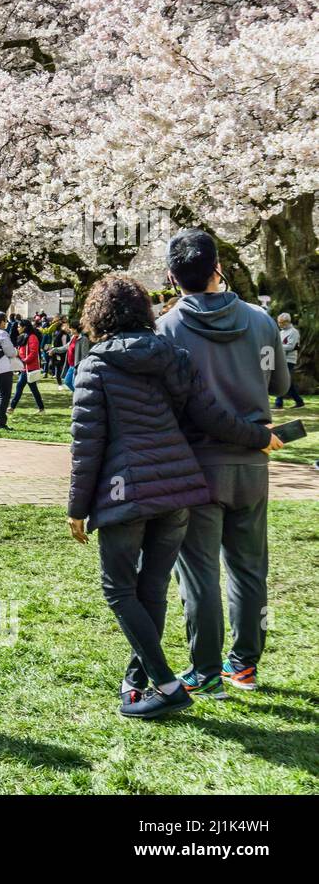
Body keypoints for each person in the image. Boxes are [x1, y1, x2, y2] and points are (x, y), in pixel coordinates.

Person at [68, 273, 279, 720]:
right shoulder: (175, 357)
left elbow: (87, 445)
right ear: (145, 311)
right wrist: (257, 436)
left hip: (126, 493)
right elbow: (211, 416)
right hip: (179, 489)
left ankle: (166, 684)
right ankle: (135, 680)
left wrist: (76, 508)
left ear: (97, 315)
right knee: (152, 588)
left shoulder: (96, 365)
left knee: (118, 590)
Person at [155, 229, 291, 696]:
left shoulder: (167, 329)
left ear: (173, 278)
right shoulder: (262, 320)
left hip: (197, 466)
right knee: (250, 567)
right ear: (218, 267)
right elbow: (278, 385)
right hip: (253, 464)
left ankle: (205, 669)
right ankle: (245, 664)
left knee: (198, 572)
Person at [8, 320, 46, 415]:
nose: (18, 328)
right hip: (25, 367)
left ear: (24, 327)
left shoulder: (32, 337)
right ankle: (41, 409)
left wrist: (24, 361)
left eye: (19, 326)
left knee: (19, 386)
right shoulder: (23, 337)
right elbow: (21, 350)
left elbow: (33, 352)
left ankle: (11, 408)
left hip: (30, 367)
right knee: (33, 389)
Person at [273, 312, 304, 408]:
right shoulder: (281, 332)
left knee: (282, 380)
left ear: (287, 322)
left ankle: (279, 403)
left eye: (281, 322)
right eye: (278, 322)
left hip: (289, 359)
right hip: (281, 358)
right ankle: (299, 402)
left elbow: (291, 346)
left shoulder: (294, 332)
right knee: (286, 381)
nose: (279, 324)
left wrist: (277, 346)